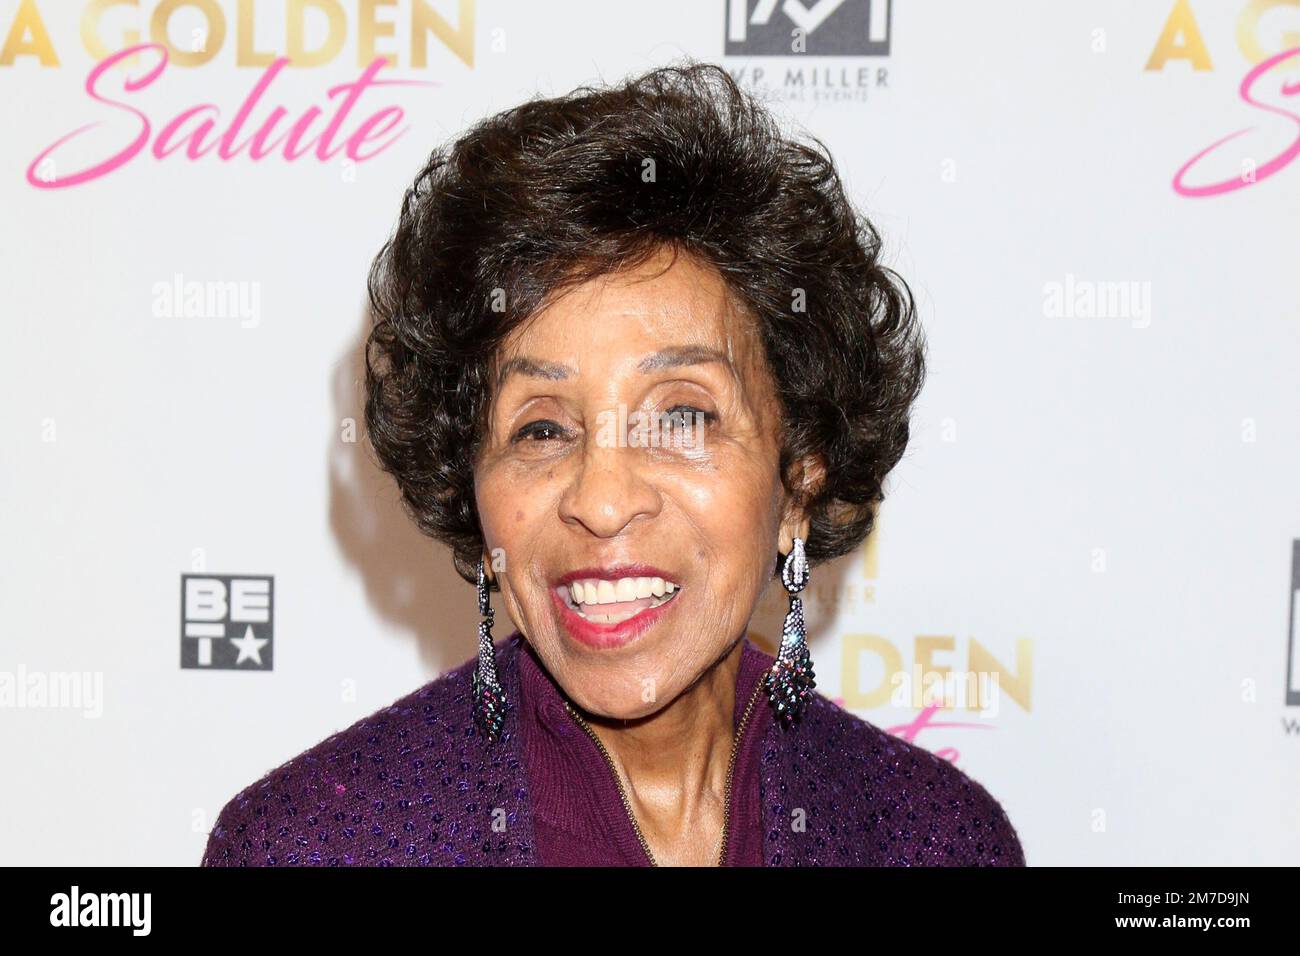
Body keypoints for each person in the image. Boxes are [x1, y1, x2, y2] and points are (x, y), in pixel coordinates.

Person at [201, 61, 1025, 867]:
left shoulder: (934, 838)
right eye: (542, 431)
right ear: (471, 485)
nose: (601, 499)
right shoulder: (311, 846)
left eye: (682, 415)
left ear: (800, 477)